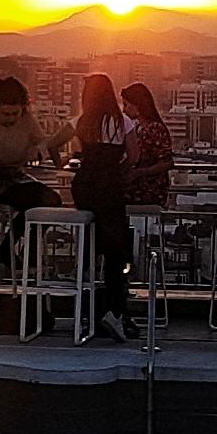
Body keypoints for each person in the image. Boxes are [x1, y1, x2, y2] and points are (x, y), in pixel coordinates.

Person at [65, 74, 137, 342]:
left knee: (89, 246)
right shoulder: (123, 122)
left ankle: (85, 311)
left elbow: (50, 143)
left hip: (84, 187)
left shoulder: (81, 122)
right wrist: (120, 171)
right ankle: (114, 312)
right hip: (110, 189)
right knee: (114, 251)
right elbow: (135, 156)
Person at [0, 77, 66, 252]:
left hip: (19, 178)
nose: (11, 119)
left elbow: (44, 141)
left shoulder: (27, 121)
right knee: (41, 201)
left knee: (52, 200)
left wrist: (44, 153)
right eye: (6, 114)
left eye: (15, 114)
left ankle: (14, 249)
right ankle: (20, 250)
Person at [119, 84, 173, 209]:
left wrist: (140, 173)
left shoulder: (155, 129)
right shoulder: (137, 128)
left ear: (137, 105)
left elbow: (167, 163)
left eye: (126, 105)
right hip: (137, 187)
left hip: (149, 190)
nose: (124, 110)